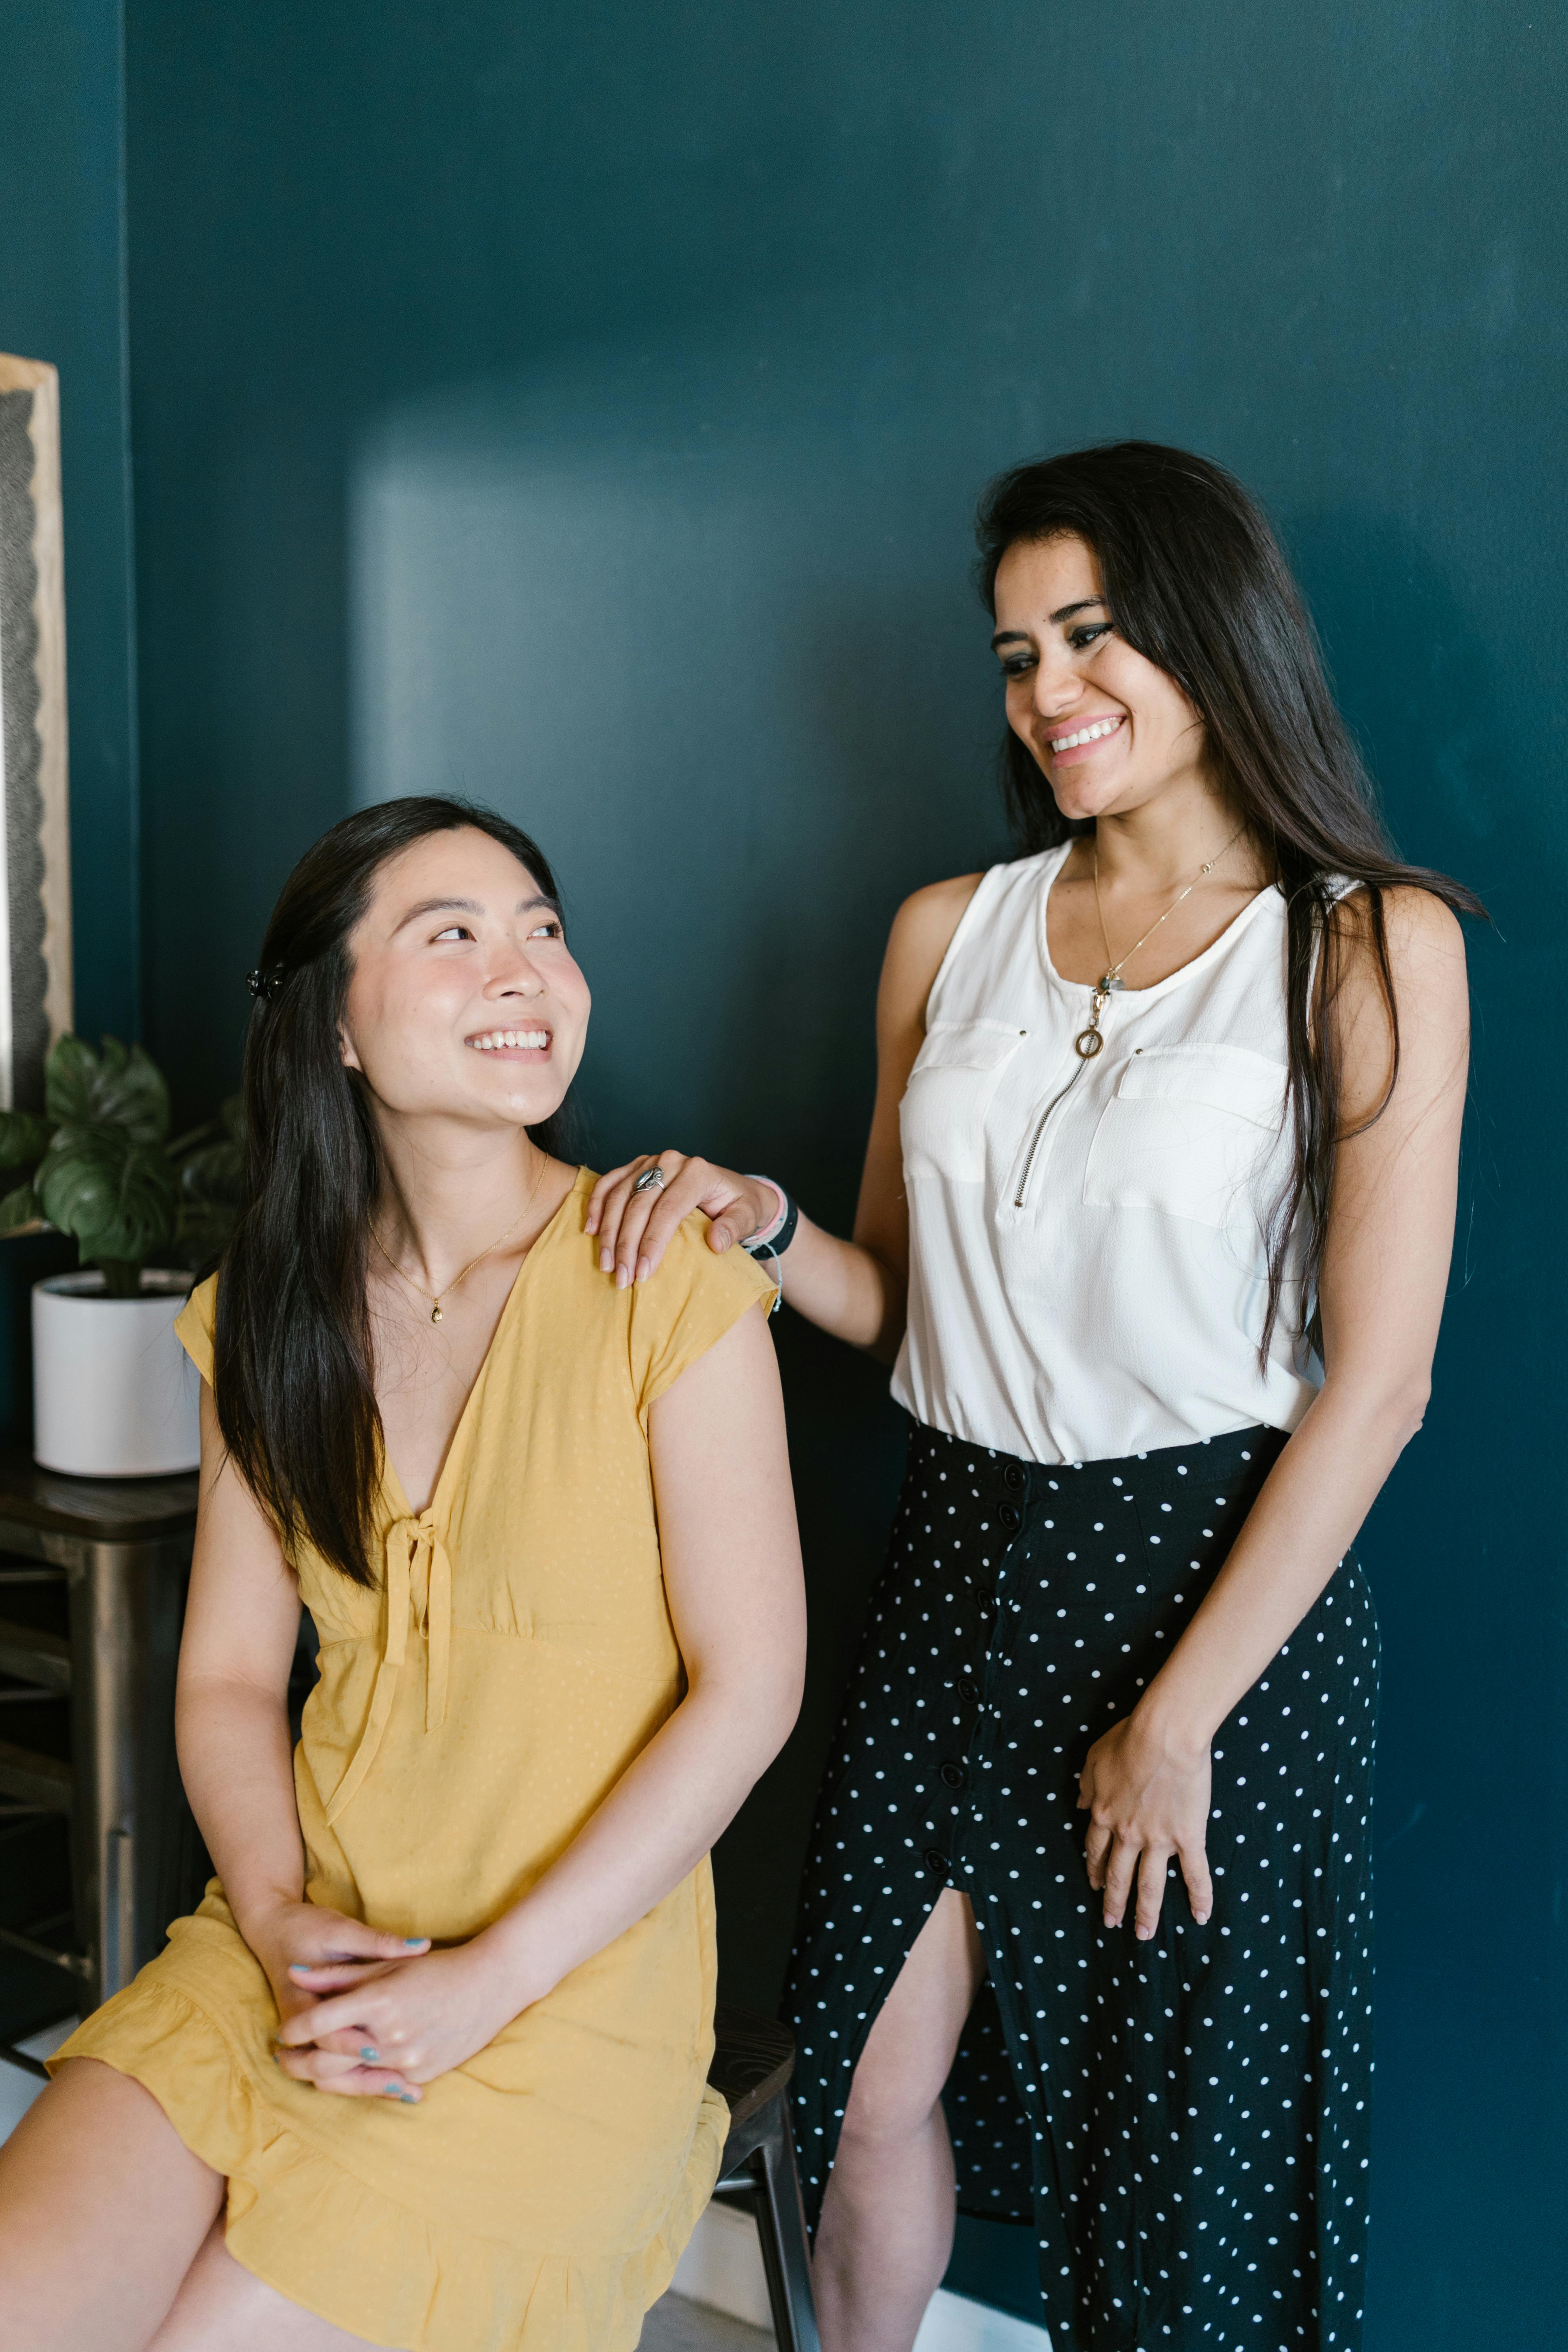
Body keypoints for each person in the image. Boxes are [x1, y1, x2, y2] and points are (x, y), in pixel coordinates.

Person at [585, 442, 1479, 2352]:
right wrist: (759, 1226)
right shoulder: (949, 928)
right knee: (855, 2090)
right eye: (1012, 653)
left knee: (1177, 2171)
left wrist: (1177, 1719)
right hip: (956, 1555)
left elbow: (1377, 1384)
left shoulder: (1363, 939)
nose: (1046, 690)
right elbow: (900, 1297)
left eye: (1090, 633)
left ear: (1208, 629)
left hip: (1213, 1580)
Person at [0, 797, 805, 2352]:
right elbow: (230, 1679)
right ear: (338, 1028)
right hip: (297, 1947)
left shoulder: (665, 1277)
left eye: (544, 930)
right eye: (455, 934)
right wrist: (281, 1907)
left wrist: (485, 1980)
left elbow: (751, 1687)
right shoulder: (266, 1315)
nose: (525, 967)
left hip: (566, 1989)